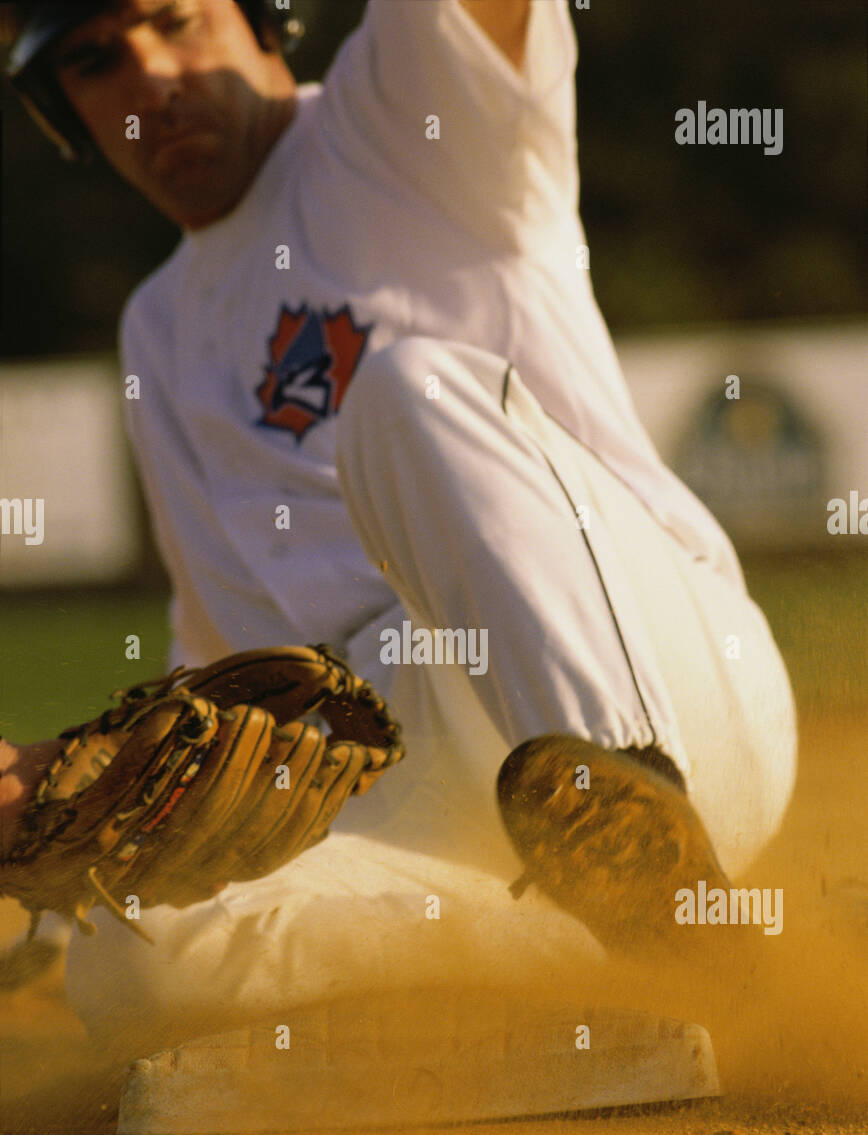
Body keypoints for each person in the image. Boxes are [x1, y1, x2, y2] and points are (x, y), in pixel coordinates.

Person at [1, 0, 797, 1053]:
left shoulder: (402, 117)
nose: (148, 78)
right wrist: (60, 771)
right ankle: (645, 957)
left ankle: (632, 809)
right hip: (428, 780)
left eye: (174, 20)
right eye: (97, 61)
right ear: (68, 115)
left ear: (262, 18)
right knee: (132, 962)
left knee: (404, 392)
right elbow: (235, 675)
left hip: (661, 671)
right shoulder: (156, 328)